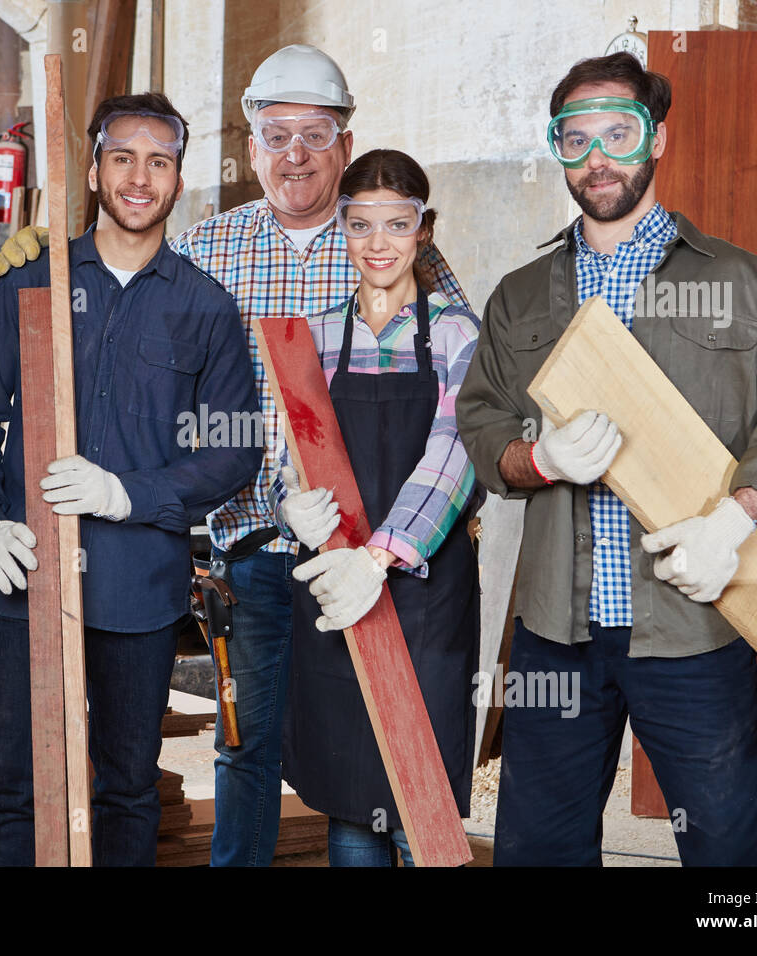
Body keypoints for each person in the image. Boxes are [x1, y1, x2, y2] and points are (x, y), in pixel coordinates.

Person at [0, 44, 471, 866]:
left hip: (359, 557)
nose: (296, 155)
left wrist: (391, 542)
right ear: (252, 148)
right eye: (276, 134)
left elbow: (461, 404)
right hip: (247, 550)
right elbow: (120, 284)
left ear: (345, 145)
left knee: (370, 748)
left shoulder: (406, 257)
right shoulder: (213, 250)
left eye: (315, 134)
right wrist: (45, 254)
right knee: (245, 748)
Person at [456, 52, 757, 866]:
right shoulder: (521, 297)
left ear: (656, 140)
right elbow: (482, 426)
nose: (597, 157)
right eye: (576, 138)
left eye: (619, 133)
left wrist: (731, 525)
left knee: (726, 854)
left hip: (694, 628)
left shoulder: (742, 285)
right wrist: (539, 458)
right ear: (557, 149)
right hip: (557, 631)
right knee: (539, 850)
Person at [0, 92, 261, 866]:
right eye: (123, 156)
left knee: (124, 787)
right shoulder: (29, 284)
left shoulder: (205, 308)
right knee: (10, 784)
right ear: (93, 171)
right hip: (26, 578)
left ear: (178, 179)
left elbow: (235, 450)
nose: (140, 176)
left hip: (137, 589)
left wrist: (130, 494)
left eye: (160, 161)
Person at [270, 150, 481, 866]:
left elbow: (456, 454)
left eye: (398, 224)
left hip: (426, 598)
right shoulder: (316, 337)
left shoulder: (457, 334)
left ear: (425, 230)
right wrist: (289, 505)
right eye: (361, 225)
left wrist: (381, 552)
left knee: (420, 800)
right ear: (342, 231)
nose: (379, 242)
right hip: (336, 595)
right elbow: (284, 460)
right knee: (353, 795)